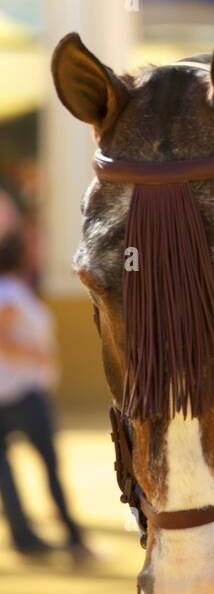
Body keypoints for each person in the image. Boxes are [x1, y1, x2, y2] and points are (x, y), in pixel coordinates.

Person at [0, 191, 93, 561]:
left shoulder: (14, 290)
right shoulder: (10, 292)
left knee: (9, 473)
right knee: (50, 468)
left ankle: (26, 538)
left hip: (12, 392)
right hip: (22, 393)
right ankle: (71, 537)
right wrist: (35, 354)